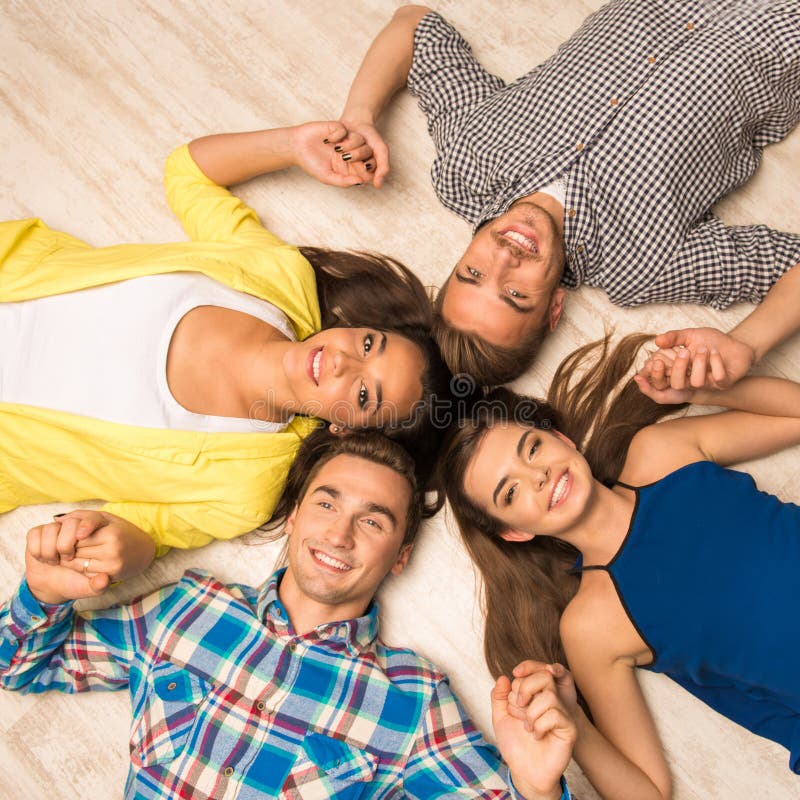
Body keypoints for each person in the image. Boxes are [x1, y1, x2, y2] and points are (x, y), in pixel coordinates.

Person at [0, 432, 577, 800]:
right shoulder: (185, 609)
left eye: (373, 521)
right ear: (296, 515)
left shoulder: (414, 703)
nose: (339, 533)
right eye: (327, 503)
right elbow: (17, 667)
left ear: (400, 557)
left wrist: (536, 787)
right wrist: (43, 595)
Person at [0, 120, 453, 578]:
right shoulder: (277, 278)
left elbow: (146, 533)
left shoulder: (245, 484)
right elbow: (188, 173)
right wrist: (292, 146)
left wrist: (116, 546)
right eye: (368, 344)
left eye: (363, 395)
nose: (341, 361)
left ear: (345, 429)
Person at [336, 2, 800, 384]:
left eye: (473, 272)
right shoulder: (640, 265)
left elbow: (416, 28)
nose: (503, 258)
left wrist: (358, 118)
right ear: (555, 307)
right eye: (515, 293)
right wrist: (747, 342)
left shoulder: (469, 162)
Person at [438, 335, 800, 799]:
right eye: (510, 493)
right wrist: (578, 728)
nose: (539, 475)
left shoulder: (660, 452)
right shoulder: (592, 626)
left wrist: (702, 392)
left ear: (562, 440)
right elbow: (648, 793)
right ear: (513, 531)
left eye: (532, 449)